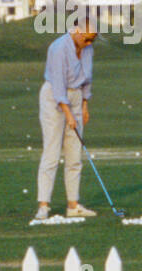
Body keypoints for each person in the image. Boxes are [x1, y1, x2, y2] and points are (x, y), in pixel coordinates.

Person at [35, 25, 98, 220]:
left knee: (74, 153)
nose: (89, 43)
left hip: (76, 97)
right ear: (77, 31)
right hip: (54, 98)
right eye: (87, 39)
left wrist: (84, 105)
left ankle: (73, 205)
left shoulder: (88, 49)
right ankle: (43, 206)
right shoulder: (58, 48)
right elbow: (58, 84)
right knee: (52, 153)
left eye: (92, 40)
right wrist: (68, 113)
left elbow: (87, 79)